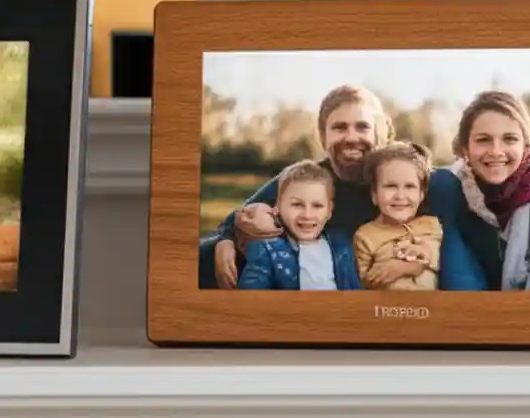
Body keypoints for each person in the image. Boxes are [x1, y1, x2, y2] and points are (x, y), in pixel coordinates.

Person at [200, 85, 487, 291]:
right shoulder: (308, 183)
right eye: (339, 128)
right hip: (338, 284)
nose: (351, 137)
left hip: (409, 284)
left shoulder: (416, 182)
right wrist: (226, 239)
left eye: (362, 127)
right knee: (206, 252)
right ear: (323, 136)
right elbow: (241, 215)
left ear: (381, 134)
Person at [428, 90, 530, 290]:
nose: (496, 151)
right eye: (483, 140)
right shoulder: (450, 189)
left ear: (526, 145)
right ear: (465, 149)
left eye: (510, 139)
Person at [237, 160, 359, 290]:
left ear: (329, 210)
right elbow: (250, 297)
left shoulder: (341, 246)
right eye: (297, 205)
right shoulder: (267, 249)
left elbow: (355, 292)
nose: (307, 215)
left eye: (317, 206)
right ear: (278, 207)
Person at [353, 141, 443, 291]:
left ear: (421, 194)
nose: (400, 196)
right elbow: (362, 282)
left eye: (409, 187)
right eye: (390, 186)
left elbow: (444, 265)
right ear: (374, 194)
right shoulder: (365, 236)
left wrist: (408, 267)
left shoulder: (432, 226)